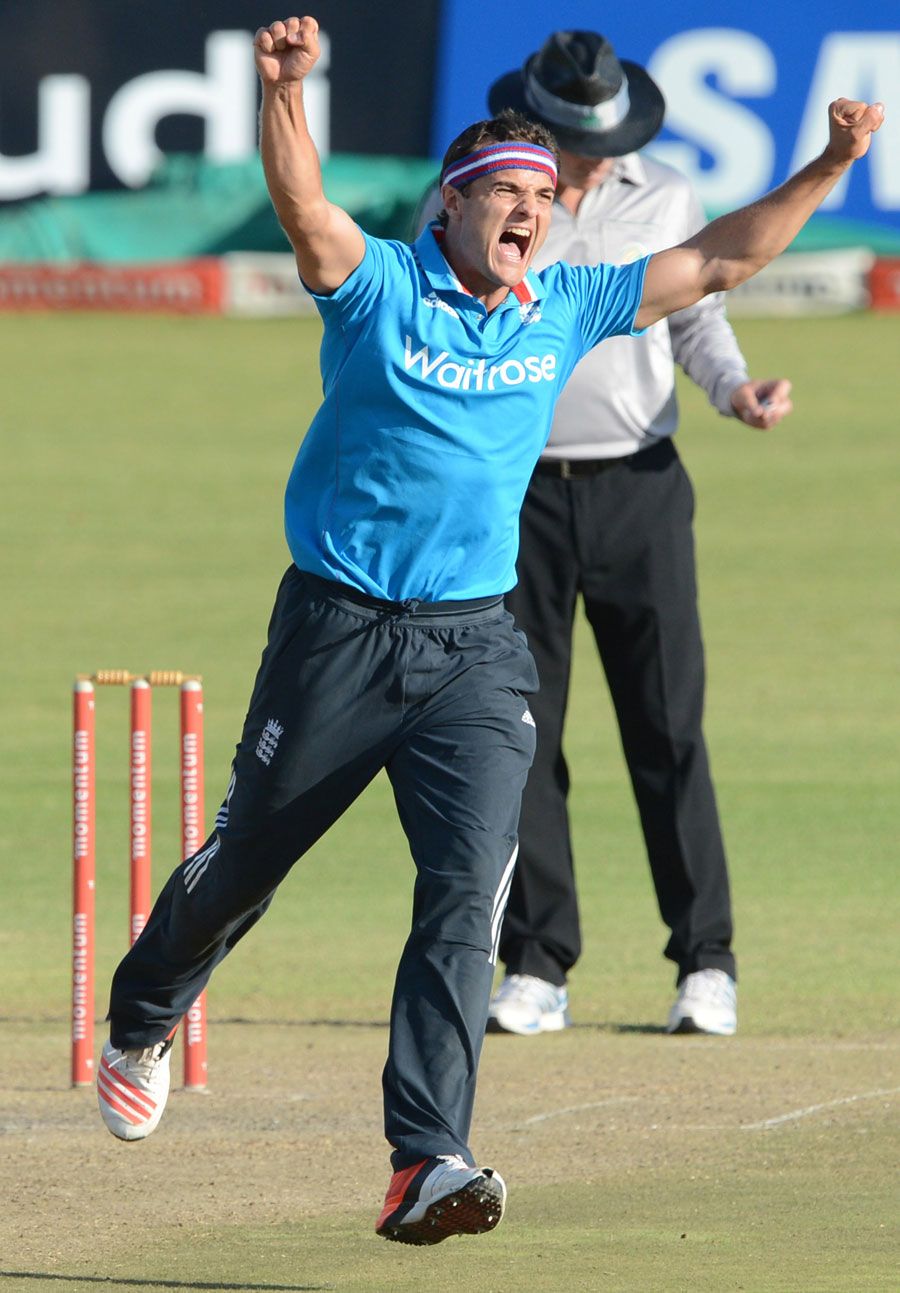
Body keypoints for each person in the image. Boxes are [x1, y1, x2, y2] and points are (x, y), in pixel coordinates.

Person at [94, 14, 883, 1246]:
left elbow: (720, 262)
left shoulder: (562, 306)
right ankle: (144, 1010)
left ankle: (426, 1159)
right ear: (450, 209)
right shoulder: (379, 289)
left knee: (467, 897)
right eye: (505, 192)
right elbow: (304, 209)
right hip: (340, 632)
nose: (530, 209)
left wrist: (830, 168)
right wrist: (287, 90)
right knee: (247, 864)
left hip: (475, 649)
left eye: (540, 195)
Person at [417, 31, 796, 1040]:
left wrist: (734, 390)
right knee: (523, 736)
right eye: (566, 143)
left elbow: (697, 314)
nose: (579, 166)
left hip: (639, 485)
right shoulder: (481, 195)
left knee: (667, 727)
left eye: (595, 145)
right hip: (514, 496)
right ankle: (539, 962)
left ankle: (704, 960)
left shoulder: (663, 195)